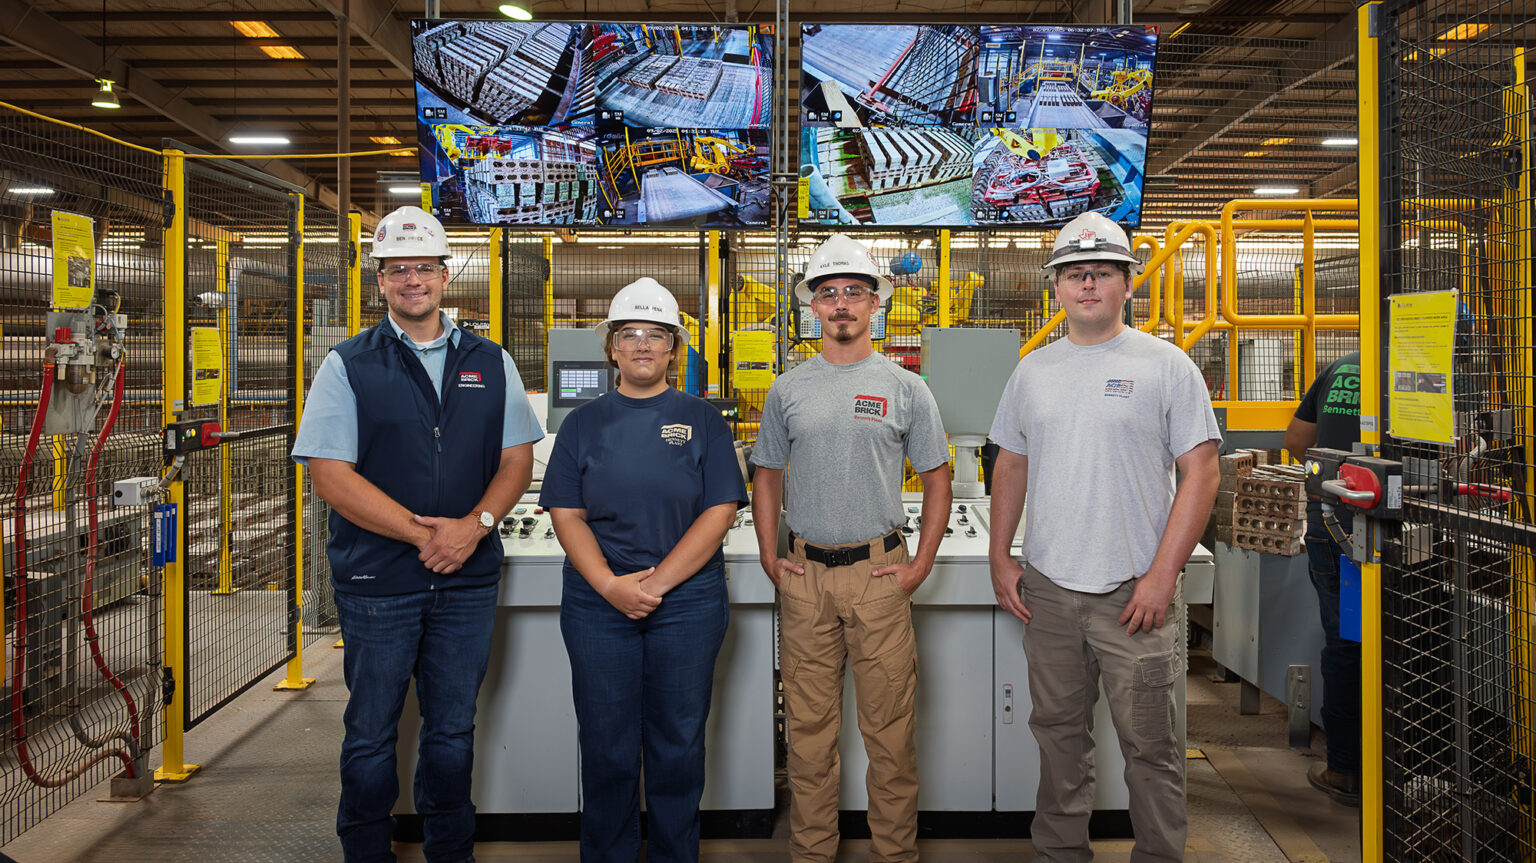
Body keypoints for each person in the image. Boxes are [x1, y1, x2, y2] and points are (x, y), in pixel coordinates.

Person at [292, 205, 543, 863]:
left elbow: (517, 458)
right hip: (379, 581)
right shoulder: (348, 364)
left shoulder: (490, 361)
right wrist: (423, 534)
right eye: (398, 270)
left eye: (423, 268)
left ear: (443, 274)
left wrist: (475, 527)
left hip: (465, 581)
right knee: (371, 733)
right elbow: (329, 474)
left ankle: (449, 851)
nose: (412, 281)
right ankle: (367, 852)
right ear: (380, 280)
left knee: (453, 731)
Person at [986, 211, 1221, 862]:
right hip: (1052, 593)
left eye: (1101, 273)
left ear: (1125, 284)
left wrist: (1161, 575)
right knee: (1059, 737)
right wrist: (999, 553)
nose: (1087, 285)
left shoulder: (1166, 366)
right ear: (1055, 287)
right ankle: (1062, 853)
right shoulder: (1033, 371)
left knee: (1151, 747)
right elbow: (1011, 463)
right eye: (1074, 274)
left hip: (1134, 597)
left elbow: (1201, 470)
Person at [750, 234, 952, 863]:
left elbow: (937, 475)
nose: (841, 303)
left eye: (853, 292)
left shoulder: (906, 388)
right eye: (829, 292)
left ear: (874, 304)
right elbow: (766, 474)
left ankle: (896, 854)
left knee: (890, 735)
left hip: (881, 577)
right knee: (808, 737)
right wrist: (767, 551)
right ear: (812, 306)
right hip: (805, 575)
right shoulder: (787, 389)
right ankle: (812, 852)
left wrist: (920, 564)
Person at [541, 278, 748, 863]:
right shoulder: (582, 424)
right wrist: (609, 584)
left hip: (685, 601)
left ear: (673, 351)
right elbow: (566, 513)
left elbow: (719, 511)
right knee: (606, 745)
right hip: (597, 602)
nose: (641, 345)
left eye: (655, 336)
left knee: (678, 743)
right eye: (629, 333)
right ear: (610, 347)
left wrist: (655, 585)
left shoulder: (702, 419)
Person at [1283, 351, 1362, 806]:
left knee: (1346, 640)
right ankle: (1405, 764)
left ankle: (1346, 768)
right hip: (1411, 526)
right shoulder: (1431, 369)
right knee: (1411, 638)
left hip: (1337, 521)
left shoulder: (1343, 367)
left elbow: (1297, 440)